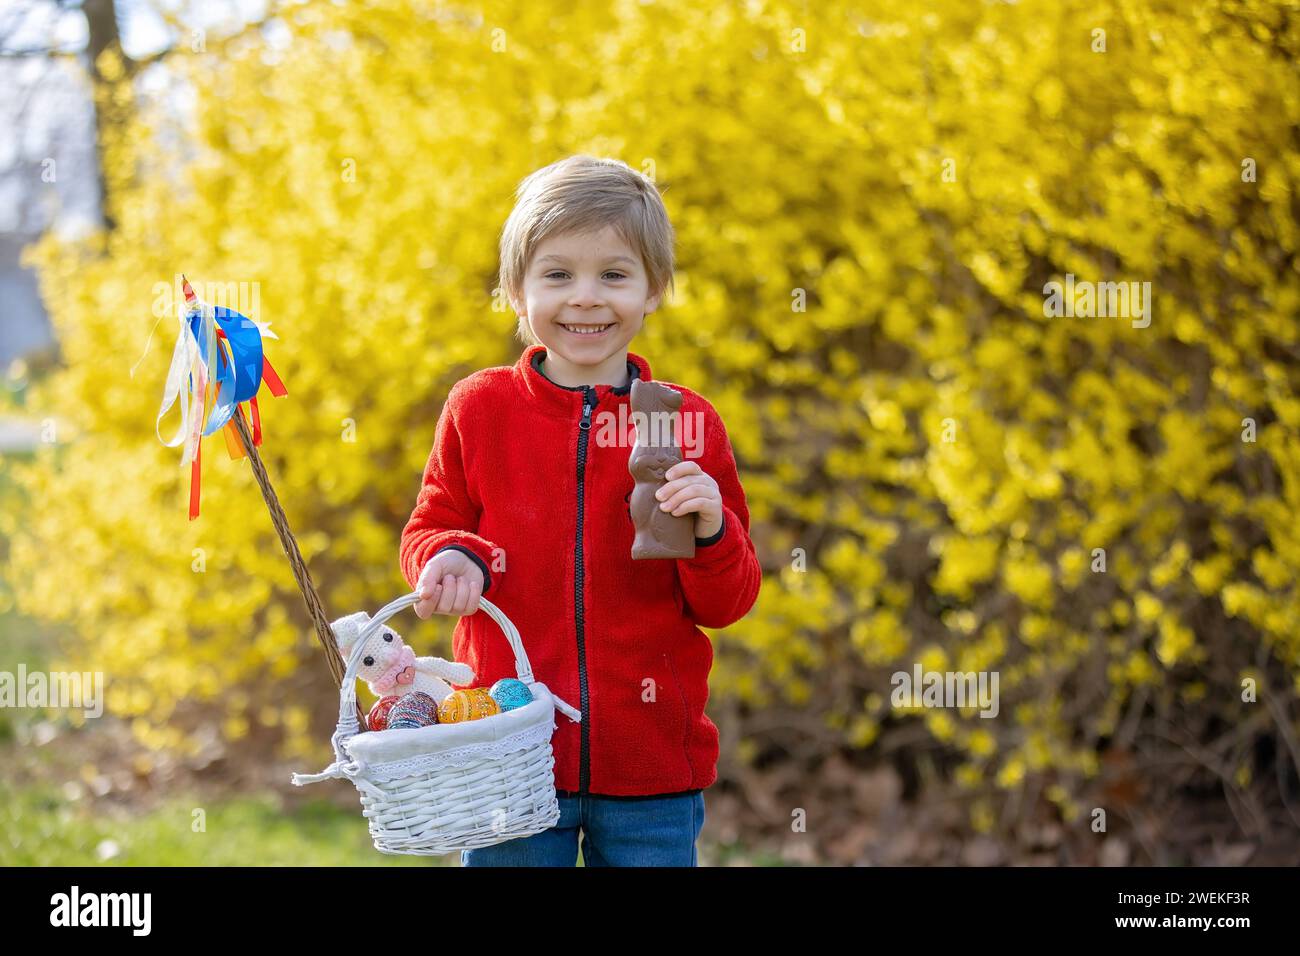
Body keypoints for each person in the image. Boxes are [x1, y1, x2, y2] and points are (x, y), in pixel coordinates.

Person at [398, 155, 762, 866]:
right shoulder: (481, 409)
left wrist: (712, 528)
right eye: (557, 275)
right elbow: (430, 526)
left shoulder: (686, 424)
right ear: (515, 291)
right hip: (508, 745)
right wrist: (450, 556)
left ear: (654, 290)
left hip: (653, 759)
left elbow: (729, 600)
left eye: (614, 275)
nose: (586, 298)